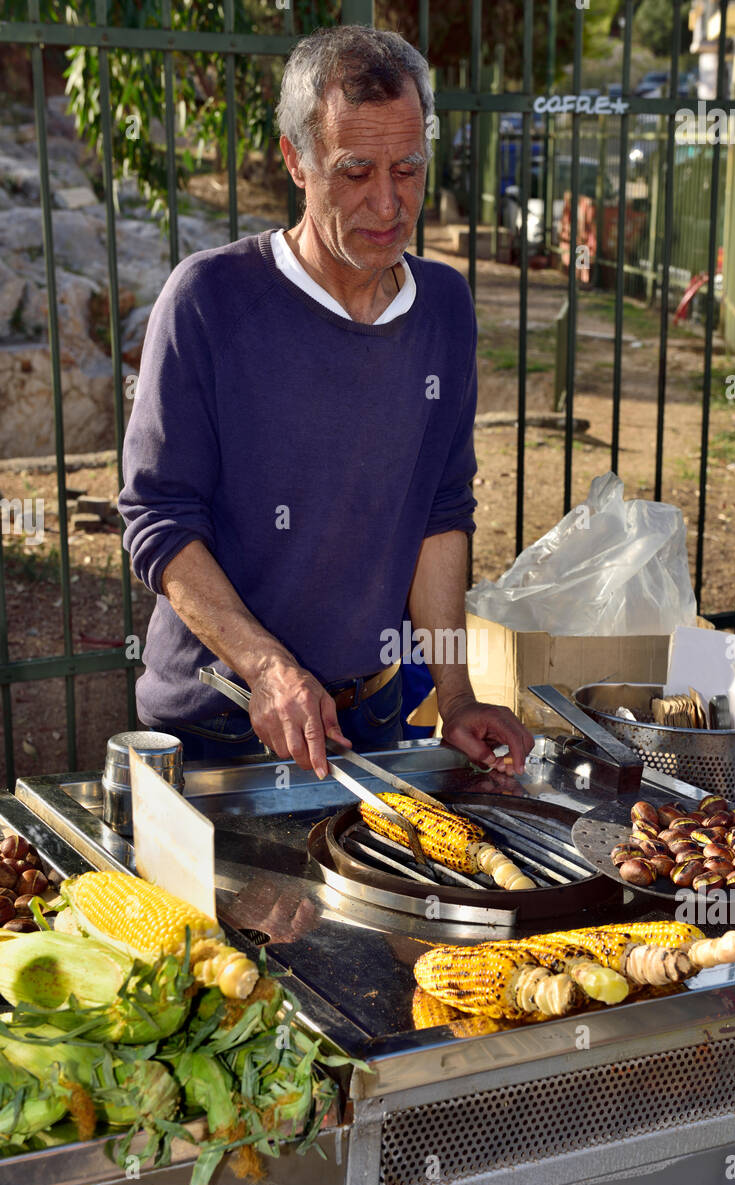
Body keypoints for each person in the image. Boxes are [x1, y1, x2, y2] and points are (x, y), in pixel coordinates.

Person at [118, 25, 533, 779]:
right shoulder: (208, 298)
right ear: (294, 161)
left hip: (371, 720)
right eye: (354, 172)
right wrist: (270, 671)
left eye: (408, 169)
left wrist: (458, 694)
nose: (388, 202)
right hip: (220, 720)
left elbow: (439, 514)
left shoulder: (443, 305)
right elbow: (159, 520)